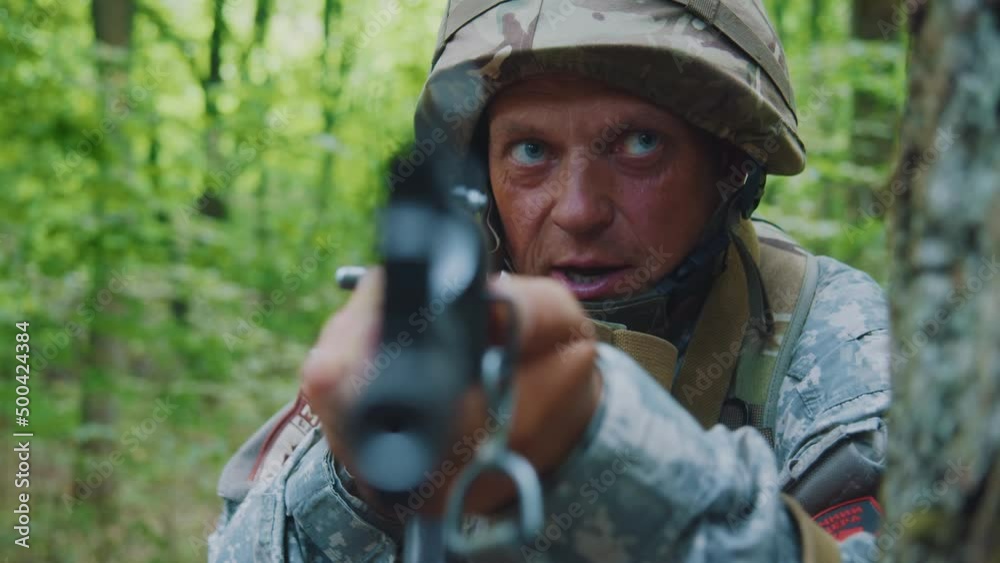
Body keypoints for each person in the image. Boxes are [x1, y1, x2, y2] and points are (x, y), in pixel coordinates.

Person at [208, 1, 890, 561]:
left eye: (638, 144)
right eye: (531, 151)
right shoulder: (431, 329)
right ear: (484, 178)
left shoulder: (822, 332)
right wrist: (360, 486)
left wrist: (611, 461)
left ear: (730, 165)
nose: (578, 209)